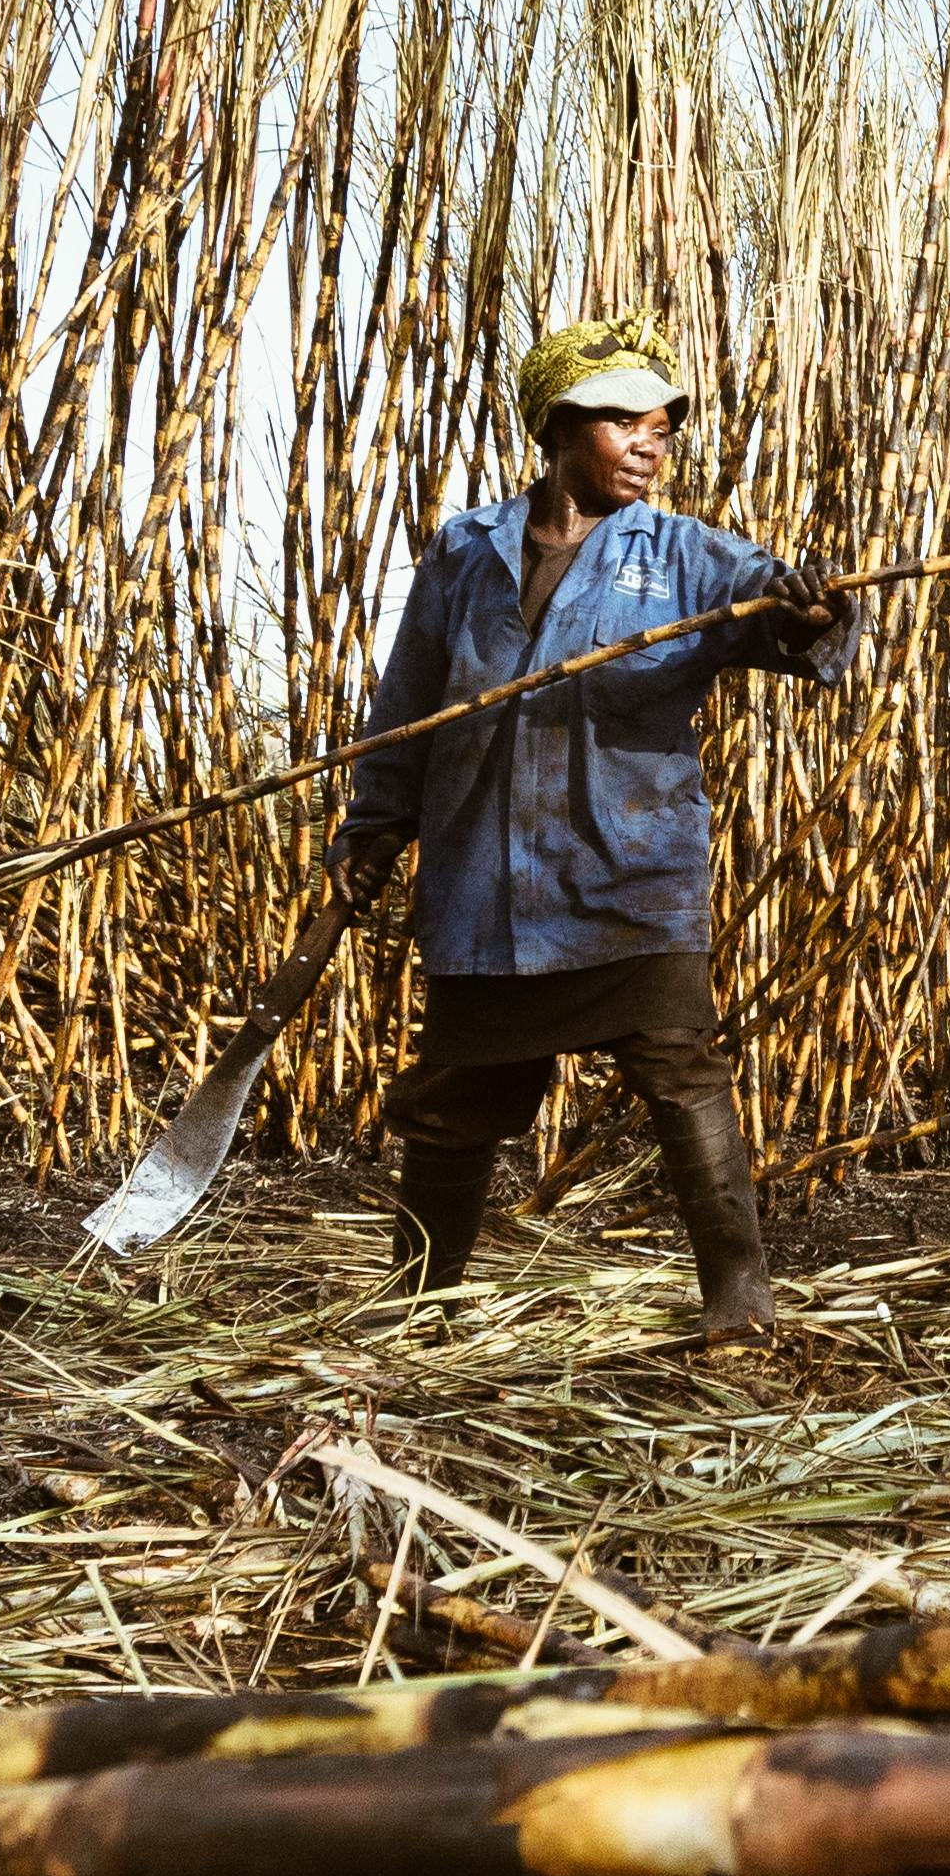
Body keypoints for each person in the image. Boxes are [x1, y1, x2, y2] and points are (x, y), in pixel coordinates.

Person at [331, 314, 868, 1344]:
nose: (650, 442)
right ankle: (417, 1305)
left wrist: (807, 610)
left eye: (661, 426)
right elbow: (406, 707)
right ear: (559, 425)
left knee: (680, 1073)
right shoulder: (465, 551)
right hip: (485, 886)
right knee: (453, 1103)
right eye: (624, 421)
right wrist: (372, 829)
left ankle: (740, 1309)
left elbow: (779, 613)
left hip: (628, 872)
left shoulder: (684, 555)